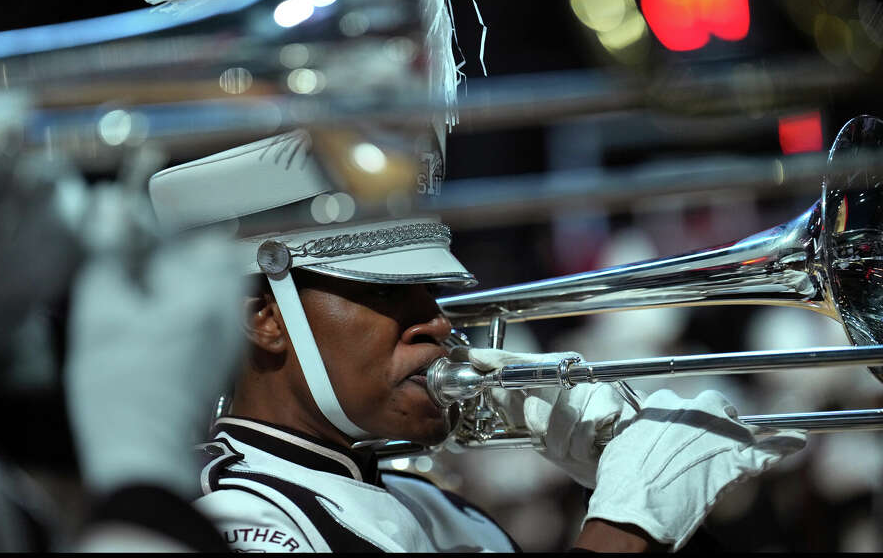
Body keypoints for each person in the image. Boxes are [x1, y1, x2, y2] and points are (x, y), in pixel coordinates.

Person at [147, 129, 807, 553]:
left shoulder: (433, 506)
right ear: (264, 317)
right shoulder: (236, 524)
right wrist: (628, 526)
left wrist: (692, 511)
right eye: (384, 292)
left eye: (430, 291)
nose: (436, 321)